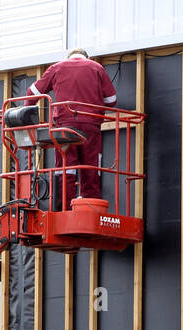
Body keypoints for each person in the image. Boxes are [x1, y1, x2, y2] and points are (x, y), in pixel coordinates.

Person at [28, 49, 117, 210]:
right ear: (86, 57)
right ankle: (90, 207)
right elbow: (112, 100)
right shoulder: (97, 68)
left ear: (69, 58)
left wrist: (27, 117)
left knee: (65, 167)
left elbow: (32, 93)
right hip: (91, 125)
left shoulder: (57, 68)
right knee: (91, 167)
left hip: (64, 126)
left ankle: (64, 208)